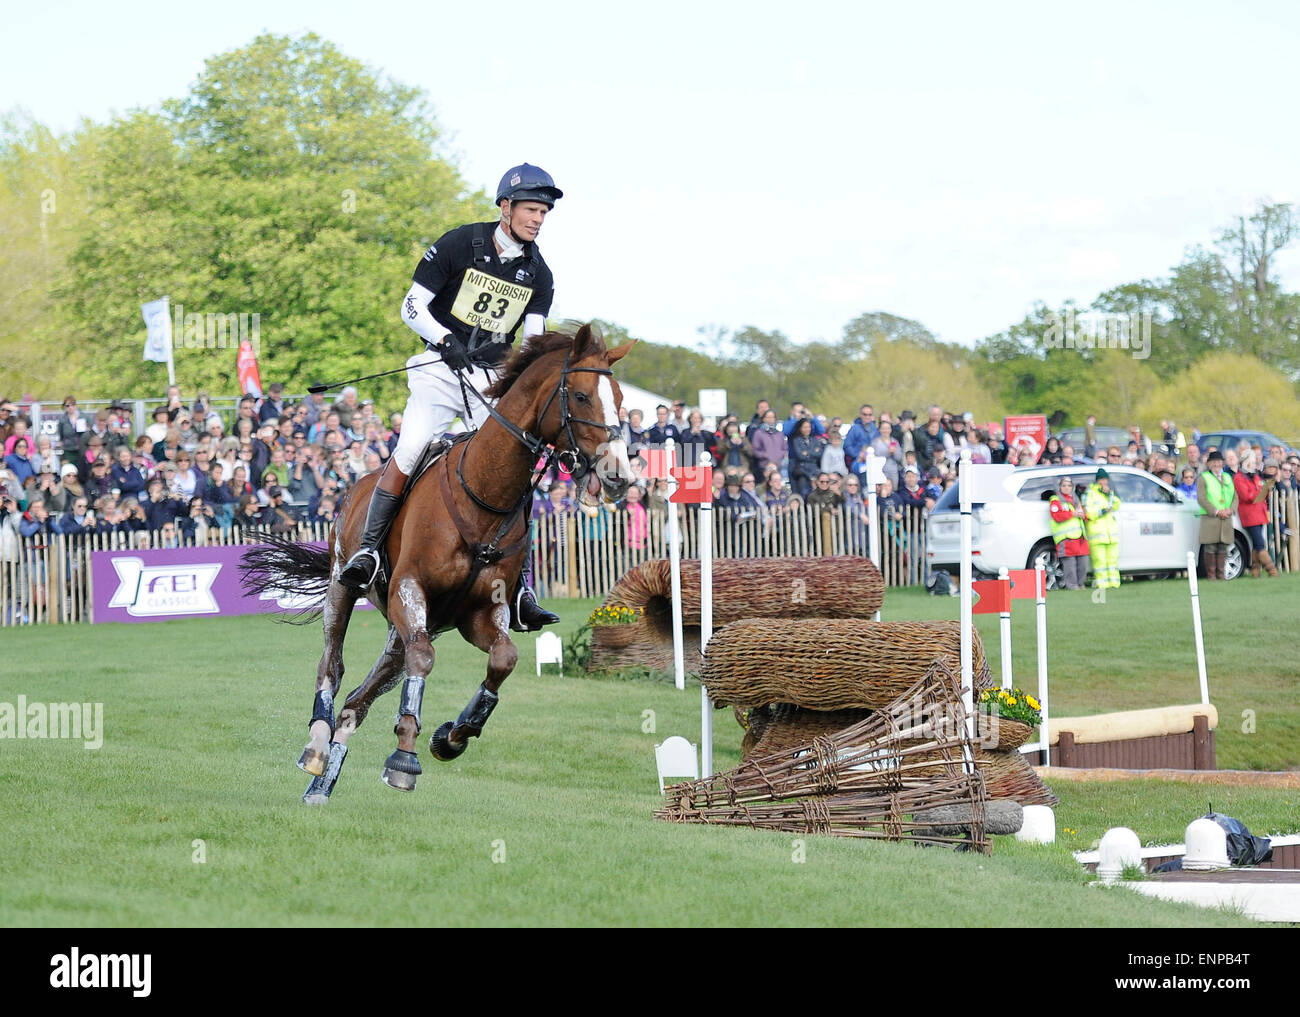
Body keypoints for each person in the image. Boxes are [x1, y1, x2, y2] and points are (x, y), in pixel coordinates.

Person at [338, 164, 564, 632]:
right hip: (439, 370)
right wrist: (445, 340)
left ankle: (520, 588)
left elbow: (533, 342)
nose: (538, 219)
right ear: (505, 207)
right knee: (413, 447)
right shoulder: (461, 242)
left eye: (543, 212)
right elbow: (412, 305)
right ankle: (367, 552)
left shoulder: (538, 273)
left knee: (511, 470)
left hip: (490, 382)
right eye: (531, 209)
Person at [1233, 451, 1279, 577]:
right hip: (1249, 515)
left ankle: (1255, 571)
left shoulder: (1255, 476)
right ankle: (1272, 569)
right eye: (1251, 462)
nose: (1254, 464)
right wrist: (1262, 491)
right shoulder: (1239, 478)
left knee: (1256, 543)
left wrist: (1266, 490)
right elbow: (1247, 496)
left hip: (1259, 513)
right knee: (1260, 544)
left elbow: (1261, 494)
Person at [1195, 449, 1237, 581]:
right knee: (1210, 546)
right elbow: (1202, 499)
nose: (1217, 464)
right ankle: (1211, 575)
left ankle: (1221, 574)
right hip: (1211, 518)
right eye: (1214, 462)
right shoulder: (1203, 478)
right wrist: (1216, 511)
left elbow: (1235, 496)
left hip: (1226, 518)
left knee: (1223, 546)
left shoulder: (1228, 477)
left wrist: (1231, 510)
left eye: (1219, 461)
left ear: (1222, 463)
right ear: (1209, 464)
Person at [1048, 476, 1090, 590]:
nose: (1067, 488)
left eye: (1069, 485)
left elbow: (1084, 515)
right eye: (1064, 485)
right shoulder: (1055, 500)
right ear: (1060, 487)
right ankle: (1072, 586)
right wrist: (1073, 514)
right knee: (1069, 566)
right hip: (1066, 538)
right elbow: (1057, 516)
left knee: (1083, 563)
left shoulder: (1075, 499)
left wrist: (1084, 515)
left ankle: (1081, 584)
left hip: (1080, 537)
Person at [1083, 468, 1121, 590]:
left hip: (1111, 534)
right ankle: (1102, 583)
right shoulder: (1090, 494)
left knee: (1113, 560)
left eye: (1106, 480)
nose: (1104, 482)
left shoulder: (1109, 493)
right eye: (1102, 480)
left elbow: (1116, 504)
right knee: (1100, 561)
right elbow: (1090, 513)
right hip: (1098, 534)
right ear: (1098, 480)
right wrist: (1104, 511)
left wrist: (1109, 494)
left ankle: (1114, 583)